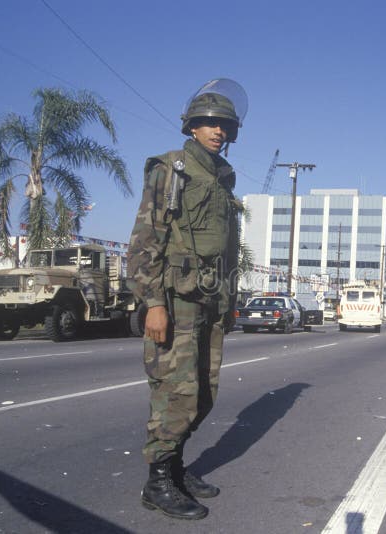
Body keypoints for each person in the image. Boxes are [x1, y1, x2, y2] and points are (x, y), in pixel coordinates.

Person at [126, 79, 247, 520]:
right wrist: (153, 302)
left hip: (211, 300)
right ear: (192, 126)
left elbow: (227, 246)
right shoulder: (172, 168)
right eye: (209, 123)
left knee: (202, 393)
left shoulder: (221, 176)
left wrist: (229, 299)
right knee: (175, 394)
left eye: (224, 126)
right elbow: (145, 239)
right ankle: (157, 481)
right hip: (176, 302)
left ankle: (176, 467)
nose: (218, 131)